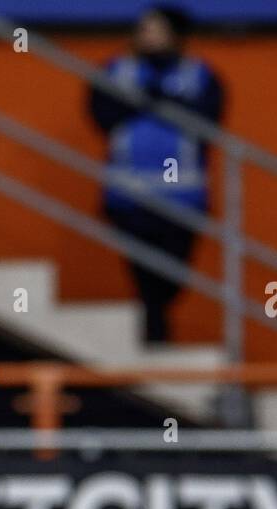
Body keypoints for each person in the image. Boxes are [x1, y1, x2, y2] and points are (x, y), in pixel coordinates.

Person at [90, 4, 224, 342]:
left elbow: (210, 122)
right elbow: (101, 114)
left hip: (184, 196)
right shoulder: (117, 71)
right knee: (143, 269)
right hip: (129, 194)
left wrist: (161, 102)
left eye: (156, 29)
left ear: (177, 36)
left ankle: (156, 320)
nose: (146, 35)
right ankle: (154, 326)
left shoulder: (201, 76)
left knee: (174, 272)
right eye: (144, 28)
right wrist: (143, 101)